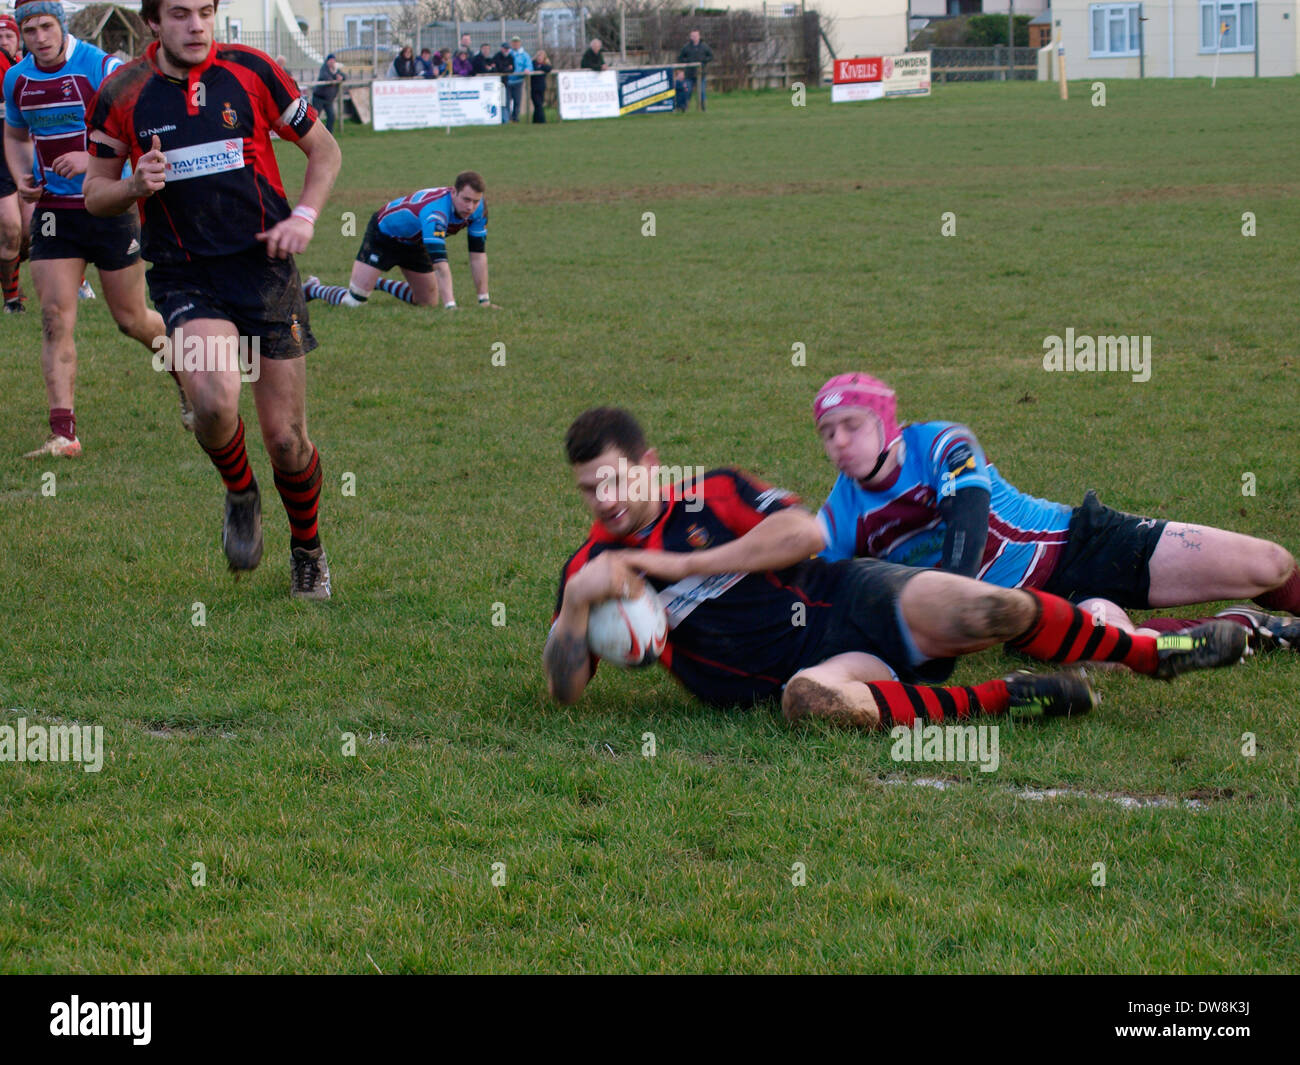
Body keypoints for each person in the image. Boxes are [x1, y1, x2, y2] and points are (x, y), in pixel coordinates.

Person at [544, 408, 1247, 728]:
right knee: (812, 704)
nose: (604, 501)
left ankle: (1153, 653)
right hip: (803, 674)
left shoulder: (712, 494)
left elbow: (799, 532)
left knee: (984, 607)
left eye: (615, 481)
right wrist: (576, 607)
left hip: (853, 598)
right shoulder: (588, 567)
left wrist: (670, 561)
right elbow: (567, 692)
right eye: (587, 490)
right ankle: (1012, 696)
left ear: (649, 468)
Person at [83, 0, 343, 600]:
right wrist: (131, 186)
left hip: (266, 270)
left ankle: (307, 548)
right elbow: (94, 194)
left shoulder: (254, 70)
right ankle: (240, 491)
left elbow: (325, 151)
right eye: (180, 13)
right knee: (212, 398)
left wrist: (303, 216)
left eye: (205, 10)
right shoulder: (122, 92)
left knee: (287, 439)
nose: (196, 24)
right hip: (185, 274)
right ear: (153, 22)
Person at [812, 372, 1300, 652]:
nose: (839, 442)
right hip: (1029, 609)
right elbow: (812, 591)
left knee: (1269, 564)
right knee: (1113, 647)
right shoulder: (840, 514)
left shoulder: (941, 442)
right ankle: (1241, 626)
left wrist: (953, 602)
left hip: (1082, 541)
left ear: (885, 422)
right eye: (827, 433)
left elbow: (968, 518)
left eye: (851, 424)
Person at [4, 0, 184, 458]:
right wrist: (24, 173)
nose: (40, 37)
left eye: (47, 26)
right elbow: (17, 133)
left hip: (108, 205)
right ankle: (64, 435)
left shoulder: (102, 67)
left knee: (131, 319)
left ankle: (189, 376)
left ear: (61, 25)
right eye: (30, 30)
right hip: (53, 213)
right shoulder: (16, 79)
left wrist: (94, 157)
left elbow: (137, 123)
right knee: (53, 317)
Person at [302, 172, 498, 312]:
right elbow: (440, 265)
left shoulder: (479, 211)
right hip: (384, 235)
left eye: (475, 201)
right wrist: (451, 306)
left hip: (414, 243)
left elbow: (478, 256)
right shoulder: (435, 212)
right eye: (466, 199)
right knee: (354, 303)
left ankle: (377, 282)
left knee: (427, 303)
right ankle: (313, 288)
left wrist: (484, 301)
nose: (470, 206)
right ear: (453, 192)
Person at [0, 11, 29, 312]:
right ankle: (11, 300)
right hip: (1, 162)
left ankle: (75, 281)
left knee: (35, 229)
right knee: (10, 228)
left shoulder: (29, 71)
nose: (3, 41)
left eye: (9, 35)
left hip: (27, 159)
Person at [677, 28, 713, 111]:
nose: (694, 37)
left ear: (699, 36)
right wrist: (687, 63)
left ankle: (702, 108)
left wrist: (704, 61)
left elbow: (711, 56)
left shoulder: (704, 46)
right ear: (690, 37)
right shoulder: (686, 47)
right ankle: (685, 107)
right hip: (689, 74)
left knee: (702, 91)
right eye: (693, 36)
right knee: (687, 90)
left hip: (700, 73)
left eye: (696, 36)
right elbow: (680, 58)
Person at [311, 53, 346, 134]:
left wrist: (341, 77)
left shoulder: (336, 70)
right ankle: (313, 133)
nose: (332, 62)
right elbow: (326, 77)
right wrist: (335, 78)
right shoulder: (324, 68)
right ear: (327, 61)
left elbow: (344, 76)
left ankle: (328, 134)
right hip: (319, 98)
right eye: (331, 60)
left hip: (329, 99)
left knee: (331, 116)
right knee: (315, 117)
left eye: (334, 60)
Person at [506, 36, 531, 123]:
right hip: (508, 81)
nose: (515, 44)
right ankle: (507, 118)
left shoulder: (524, 55)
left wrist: (527, 69)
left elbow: (529, 65)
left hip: (518, 81)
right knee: (507, 101)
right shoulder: (508, 53)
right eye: (514, 42)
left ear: (520, 43)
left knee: (517, 101)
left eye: (517, 42)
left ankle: (515, 118)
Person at [530, 49, 552, 123]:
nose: (539, 58)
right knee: (537, 104)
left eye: (541, 56)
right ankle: (542, 121)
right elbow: (533, 68)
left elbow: (548, 68)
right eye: (539, 56)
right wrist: (539, 67)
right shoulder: (533, 63)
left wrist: (541, 66)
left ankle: (535, 121)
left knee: (539, 104)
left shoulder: (545, 65)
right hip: (534, 87)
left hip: (541, 87)